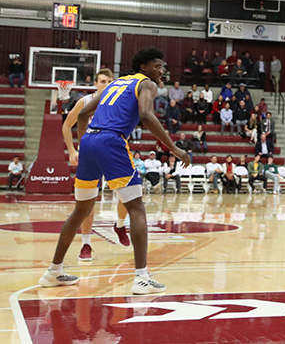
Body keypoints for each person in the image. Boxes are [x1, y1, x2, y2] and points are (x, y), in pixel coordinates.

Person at [38, 48, 190, 295]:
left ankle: (53, 271)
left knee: (81, 211)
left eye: (162, 66)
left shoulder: (115, 84)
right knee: (136, 208)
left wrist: (85, 144)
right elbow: (146, 115)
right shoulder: (147, 84)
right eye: (157, 65)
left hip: (89, 141)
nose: (161, 70)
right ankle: (142, 278)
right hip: (111, 141)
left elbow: (84, 114)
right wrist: (173, 148)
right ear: (143, 67)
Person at [60, 68, 131, 261]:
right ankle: (86, 243)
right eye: (102, 81)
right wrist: (72, 150)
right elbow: (67, 125)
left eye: (109, 81)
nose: (106, 85)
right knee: (87, 202)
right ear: (95, 84)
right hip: (89, 154)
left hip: (112, 152)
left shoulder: (118, 103)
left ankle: (120, 224)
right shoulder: (84, 102)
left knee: (128, 194)